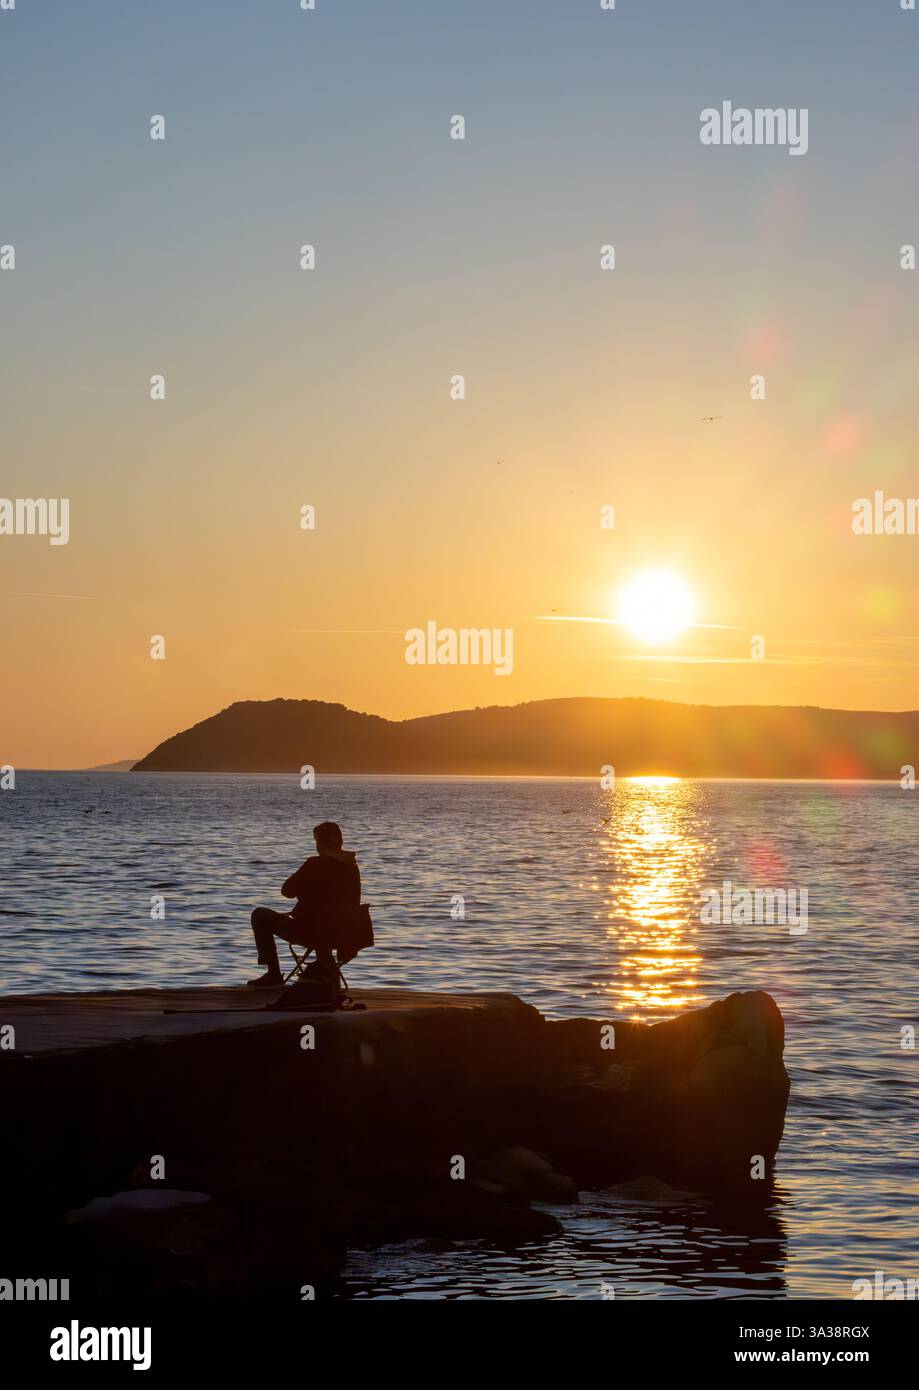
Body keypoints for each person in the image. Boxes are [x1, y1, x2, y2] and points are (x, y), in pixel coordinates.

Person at [248, 821, 361, 987]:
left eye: (316, 840)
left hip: (311, 932)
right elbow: (354, 900)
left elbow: (286, 891)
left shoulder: (314, 864)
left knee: (259, 915)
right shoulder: (352, 868)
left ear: (321, 843)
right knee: (325, 922)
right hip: (344, 934)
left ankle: (273, 974)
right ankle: (327, 967)